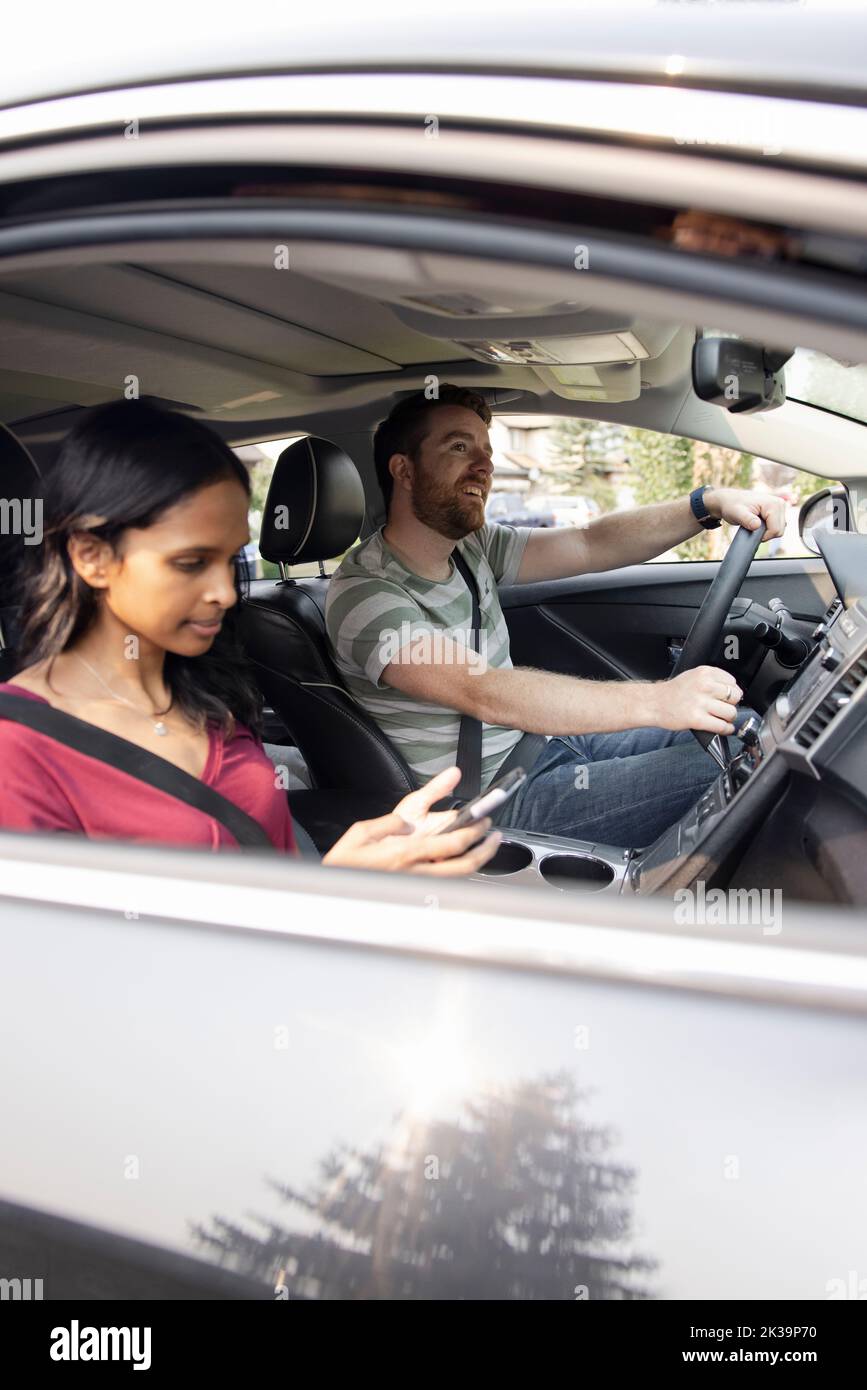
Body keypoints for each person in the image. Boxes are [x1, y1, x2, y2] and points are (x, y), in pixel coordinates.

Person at [0, 400, 498, 876]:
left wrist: (345, 873)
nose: (223, 592)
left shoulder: (208, 687)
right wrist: (336, 890)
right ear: (92, 556)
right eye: (191, 562)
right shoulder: (19, 753)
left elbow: (269, 879)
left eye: (230, 559)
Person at [325, 385, 786, 848]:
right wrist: (658, 700)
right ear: (404, 469)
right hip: (487, 800)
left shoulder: (472, 548)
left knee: (737, 727)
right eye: (459, 447)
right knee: (741, 762)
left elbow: (591, 542)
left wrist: (704, 505)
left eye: (487, 451)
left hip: (539, 745)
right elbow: (481, 689)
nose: (485, 466)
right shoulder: (365, 594)